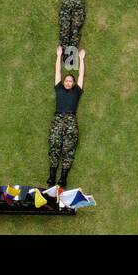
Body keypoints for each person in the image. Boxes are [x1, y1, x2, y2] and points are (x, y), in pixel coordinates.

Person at [48, 47, 86, 186]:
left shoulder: (77, 91)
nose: (68, 82)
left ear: (74, 84)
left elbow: (81, 75)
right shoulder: (59, 88)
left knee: (68, 148)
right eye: (66, 80)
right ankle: (52, 175)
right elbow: (57, 72)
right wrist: (58, 55)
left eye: (70, 81)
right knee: (54, 145)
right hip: (57, 119)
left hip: (71, 120)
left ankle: (63, 177)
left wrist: (81, 59)